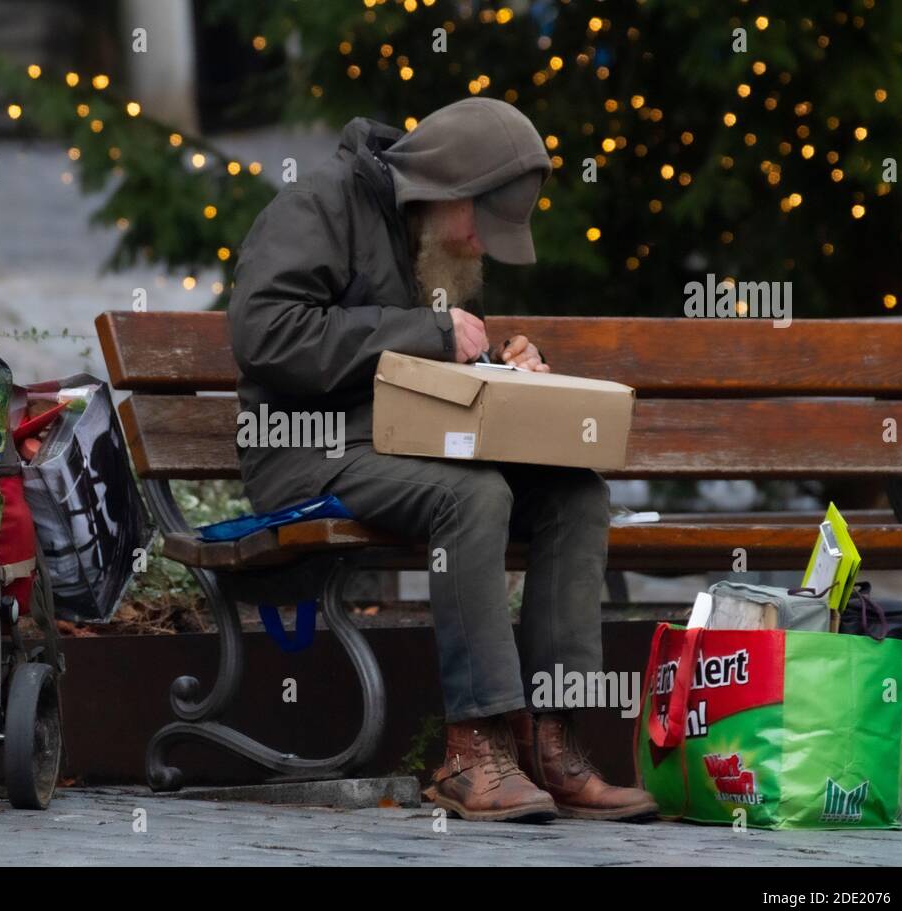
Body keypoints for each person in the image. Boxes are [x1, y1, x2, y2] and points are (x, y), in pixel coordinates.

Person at [226, 98, 656, 823]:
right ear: (444, 192)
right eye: (479, 226)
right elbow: (266, 334)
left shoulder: (433, 241)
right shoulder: (319, 205)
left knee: (576, 494)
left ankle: (554, 741)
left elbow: (430, 364)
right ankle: (473, 750)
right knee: (472, 494)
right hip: (303, 449)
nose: (482, 246)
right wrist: (428, 331)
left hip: (414, 443)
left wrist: (509, 368)